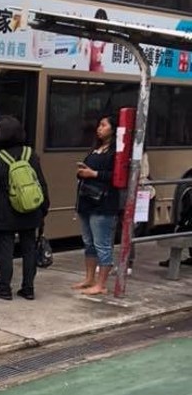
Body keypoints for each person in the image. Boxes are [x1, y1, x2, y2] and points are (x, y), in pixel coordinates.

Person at [0, 116, 49, 300]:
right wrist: (43, 209)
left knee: (6, 250)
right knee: (28, 249)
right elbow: (40, 182)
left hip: (5, 212)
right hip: (30, 209)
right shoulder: (30, 154)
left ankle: (4, 288)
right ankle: (28, 288)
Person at [73, 115, 119, 295]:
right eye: (99, 125)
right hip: (86, 200)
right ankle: (89, 278)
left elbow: (116, 177)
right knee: (88, 242)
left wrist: (94, 174)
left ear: (113, 129)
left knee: (102, 244)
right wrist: (83, 171)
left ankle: (101, 284)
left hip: (103, 203)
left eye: (103, 125)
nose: (99, 128)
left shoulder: (116, 152)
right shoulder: (96, 149)